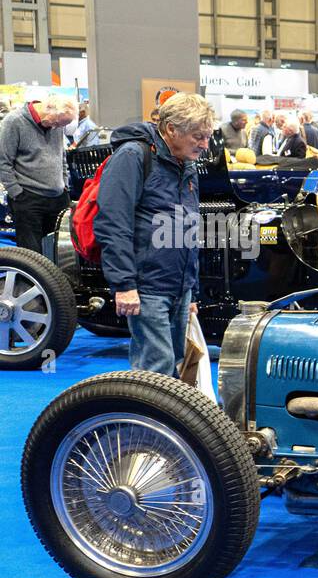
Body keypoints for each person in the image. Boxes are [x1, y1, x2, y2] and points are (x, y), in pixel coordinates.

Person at [94, 92, 213, 375]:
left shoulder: (187, 163)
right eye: (198, 136)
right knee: (155, 369)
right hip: (146, 286)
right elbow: (113, 223)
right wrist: (124, 285)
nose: (205, 145)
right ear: (171, 129)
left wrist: (191, 289)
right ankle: (139, 419)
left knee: (172, 367)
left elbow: (187, 226)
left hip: (178, 286)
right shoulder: (133, 156)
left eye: (207, 136)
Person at [0, 94, 77, 252]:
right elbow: (3, 161)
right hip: (28, 199)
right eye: (56, 123)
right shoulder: (14, 122)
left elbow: (60, 156)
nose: (56, 128)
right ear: (49, 110)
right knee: (33, 257)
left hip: (58, 198)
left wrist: (64, 185)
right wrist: (17, 193)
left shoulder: (56, 122)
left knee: (59, 254)